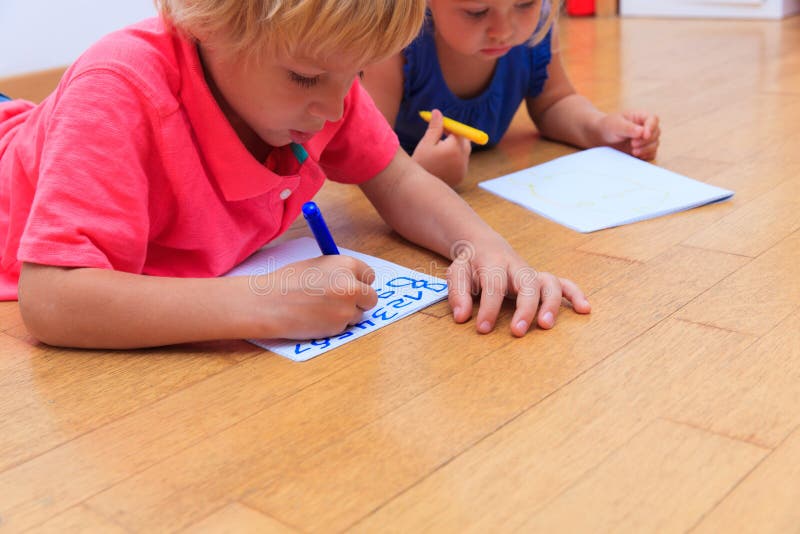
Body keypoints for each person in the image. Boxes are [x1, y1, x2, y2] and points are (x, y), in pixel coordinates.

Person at [0, 0, 590, 350]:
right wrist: (266, 301)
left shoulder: (324, 76)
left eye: (355, 74)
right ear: (209, 24)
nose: (336, 110)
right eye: (305, 79)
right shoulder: (117, 90)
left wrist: (484, 246)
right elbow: (52, 298)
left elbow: (400, 180)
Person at [362, 0, 661, 186]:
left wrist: (598, 128)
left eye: (525, 4)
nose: (503, 30)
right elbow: (364, 149)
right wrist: (415, 176)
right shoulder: (396, 42)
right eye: (477, 12)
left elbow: (554, 103)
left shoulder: (537, 26)